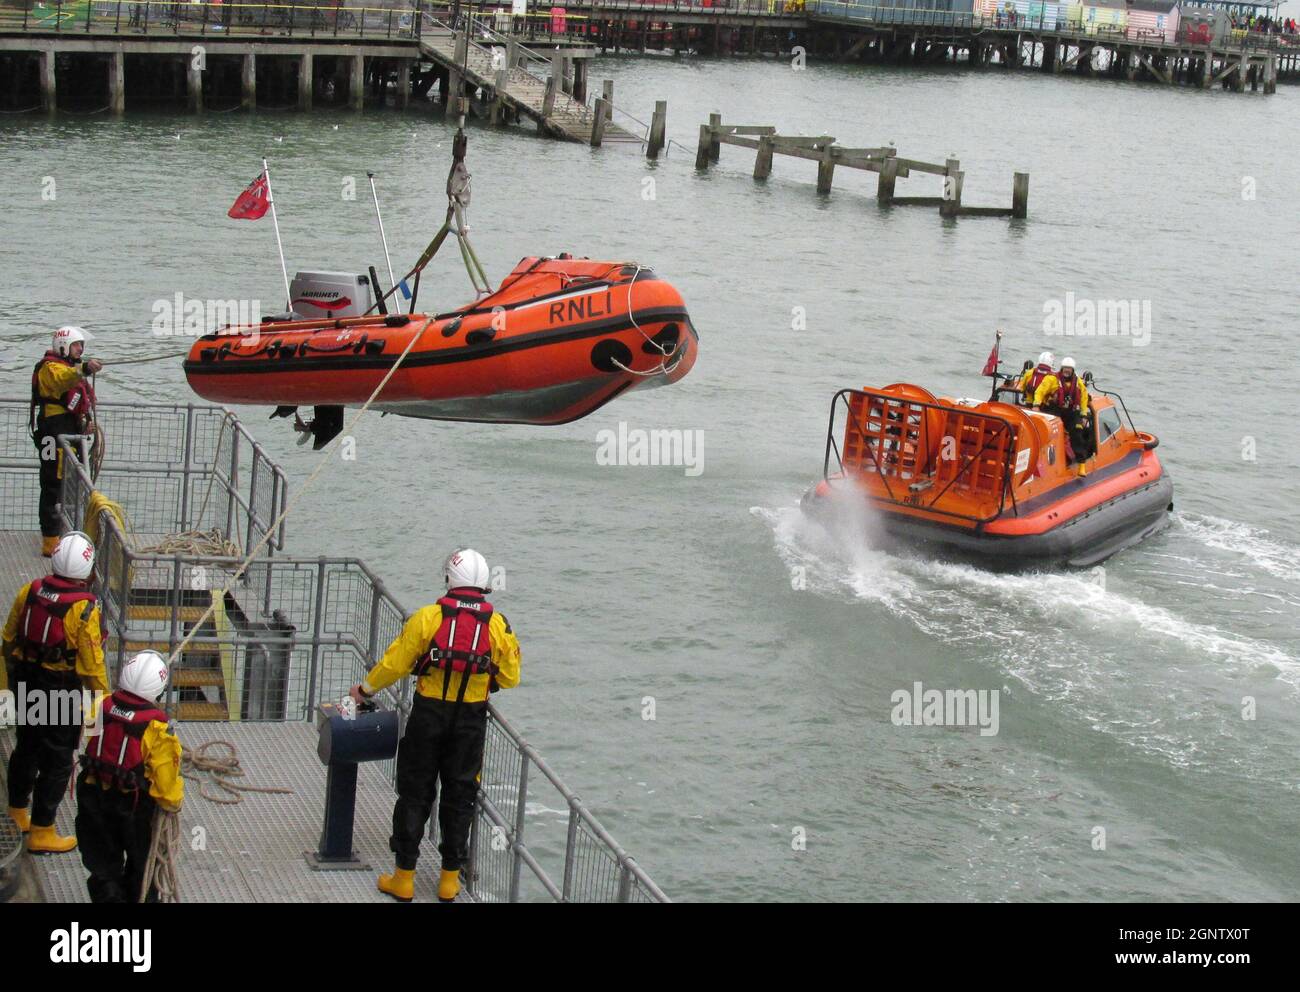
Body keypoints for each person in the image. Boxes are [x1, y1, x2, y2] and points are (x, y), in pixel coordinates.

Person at [349, 548, 520, 904]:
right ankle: (448, 881)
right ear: (485, 584)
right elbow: (511, 675)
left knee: (415, 792)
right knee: (460, 797)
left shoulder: (428, 618)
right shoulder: (498, 625)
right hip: (470, 721)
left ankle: (404, 878)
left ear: (449, 580)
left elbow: (395, 663)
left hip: (428, 715)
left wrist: (364, 690)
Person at [3, 532, 108, 853]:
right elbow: (91, 665)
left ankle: (17, 810)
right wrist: (102, 707)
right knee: (59, 760)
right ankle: (42, 830)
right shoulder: (84, 610)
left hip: (26, 681)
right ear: (87, 569)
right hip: (60, 692)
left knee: (27, 746)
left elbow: (8, 638)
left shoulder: (30, 591)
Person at [76, 650, 183, 903]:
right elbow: (167, 787)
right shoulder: (158, 729)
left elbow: (91, 739)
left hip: (94, 797)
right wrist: (172, 805)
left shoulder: (99, 706)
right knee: (142, 868)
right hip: (134, 807)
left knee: (103, 866)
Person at [31, 327, 102, 557]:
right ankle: (50, 540)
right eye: (76, 345)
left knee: (72, 484)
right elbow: (62, 380)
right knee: (52, 484)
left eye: (82, 345)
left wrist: (84, 425)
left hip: (68, 429)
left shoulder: (71, 369)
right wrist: (83, 368)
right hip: (52, 431)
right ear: (63, 345)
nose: (80, 349)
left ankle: (69, 536)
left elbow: (74, 402)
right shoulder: (50, 368)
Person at [1033, 356, 1093, 471]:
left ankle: (1081, 464)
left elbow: (1084, 398)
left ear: (1073, 370)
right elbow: (1039, 392)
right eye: (1065, 368)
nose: (1067, 371)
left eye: (1069, 369)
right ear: (1061, 368)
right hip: (1054, 409)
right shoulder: (1051, 379)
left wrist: (1084, 415)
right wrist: (1036, 405)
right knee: (1048, 430)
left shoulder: (1078, 383)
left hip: (1071, 412)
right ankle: (1041, 458)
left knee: (1078, 431)